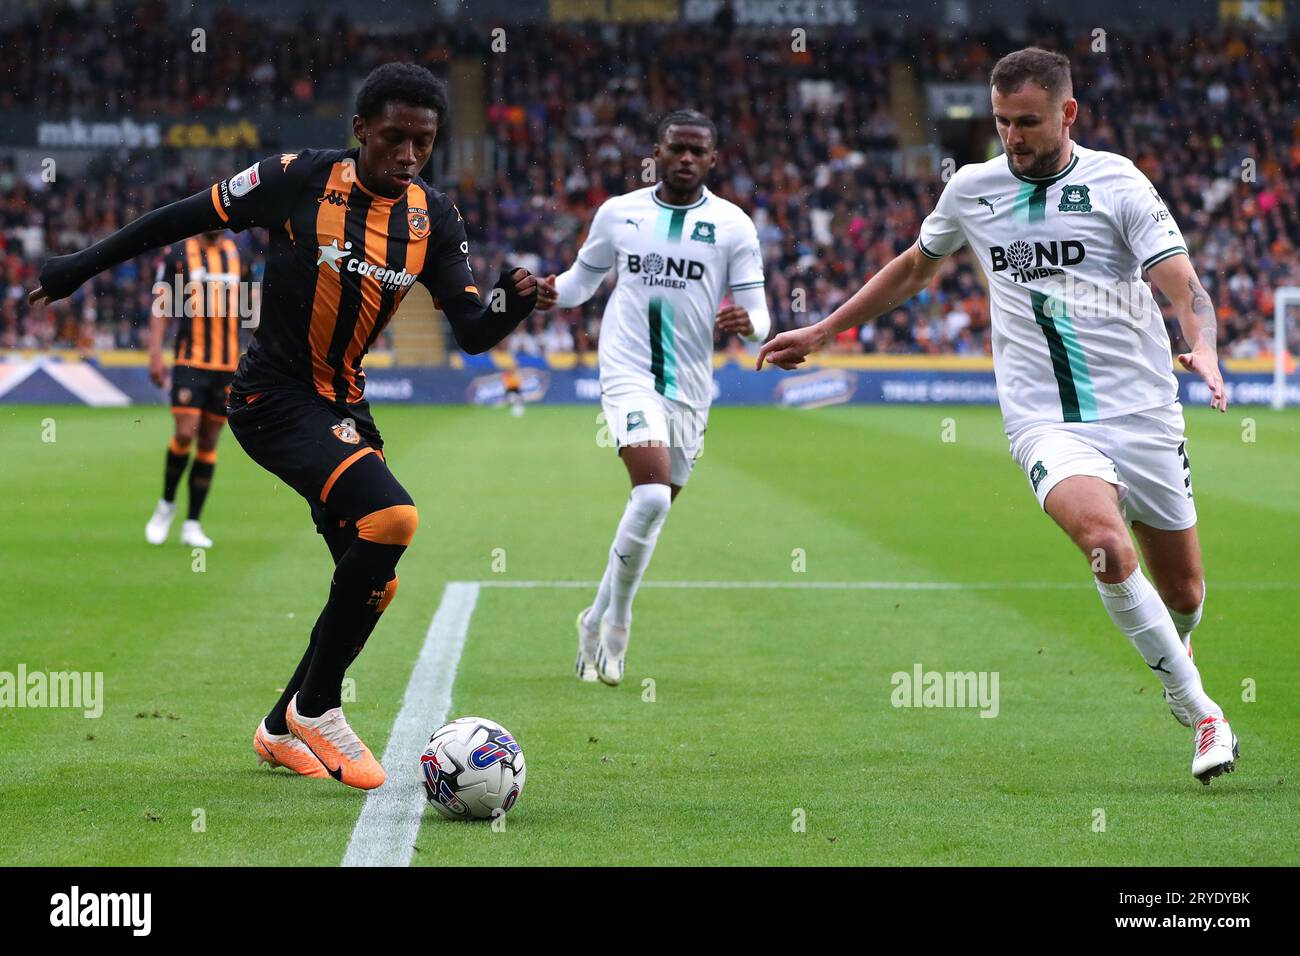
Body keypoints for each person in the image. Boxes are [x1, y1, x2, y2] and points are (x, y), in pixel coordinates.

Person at [28, 62, 539, 790]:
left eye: (422, 142)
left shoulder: (433, 216)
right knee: (391, 520)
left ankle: (276, 729)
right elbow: (180, 216)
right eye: (394, 138)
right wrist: (80, 266)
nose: (407, 155)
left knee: (370, 583)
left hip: (345, 405)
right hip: (271, 398)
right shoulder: (298, 178)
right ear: (360, 129)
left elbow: (472, 330)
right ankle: (319, 707)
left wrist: (511, 305)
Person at [757, 48, 1238, 785]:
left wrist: (1202, 346)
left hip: (1143, 413)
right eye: (1002, 122)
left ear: (1067, 113)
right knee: (1104, 543)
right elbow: (916, 267)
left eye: (1028, 122)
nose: (1012, 136)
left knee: (1186, 595)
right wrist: (826, 328)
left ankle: (1180, 651)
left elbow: (1183, 287)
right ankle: (1200, 708)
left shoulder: (1118, 183)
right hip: (1045, 419)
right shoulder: (973, 190)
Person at [534, 109, 771, 686]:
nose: (686, 159)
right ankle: (618, 621)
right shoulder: (619, 214)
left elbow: (762, 316)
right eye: (676, 148)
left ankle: (592, 617)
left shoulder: (734, 225)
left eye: (698, 151)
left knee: (654, 507)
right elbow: (579, 284)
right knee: (652, 500)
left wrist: (750, 325)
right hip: (627, 371)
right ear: (657, 152)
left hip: (690, 388)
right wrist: (544, 292)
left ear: (713, 159)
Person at [144, 229, 249, 548]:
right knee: (185, 432)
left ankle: (192, 523)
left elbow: (249, 305)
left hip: (227, 365)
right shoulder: (178, 253)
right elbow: (162, 304)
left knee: (209, 440)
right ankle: (166, 504)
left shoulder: (236, 253)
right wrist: (155, 354)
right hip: (191, 361)